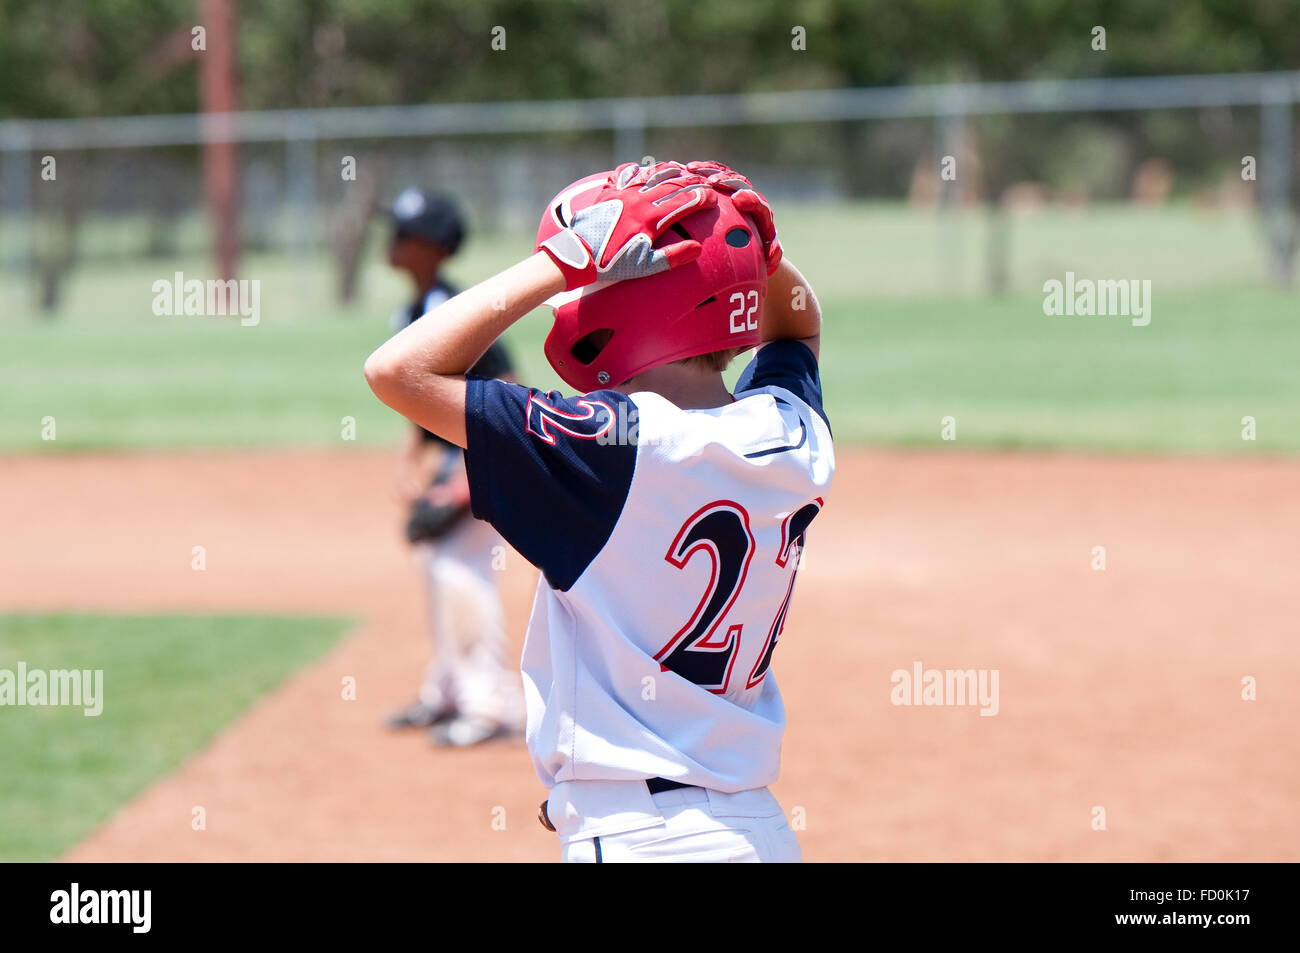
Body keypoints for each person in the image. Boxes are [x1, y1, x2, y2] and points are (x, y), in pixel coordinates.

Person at [364, 161, 833, 861]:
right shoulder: (792, 432)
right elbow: (797, 328)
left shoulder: (611, 444)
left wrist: (559, 261)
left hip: (642, 837)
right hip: (760, 832)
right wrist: (754, 247)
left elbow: (396, 370)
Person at [380, 187, 524, 748]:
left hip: (477, 456)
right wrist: (409, 461)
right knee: (438, 566)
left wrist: (471, 473)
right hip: (450, 457)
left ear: (435, 246)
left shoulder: (452, 309)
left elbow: (507, 389)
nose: (390, 241)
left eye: (403, 233)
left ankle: (490, 706)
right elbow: (413, 396)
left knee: (462, 571)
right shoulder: (413, 308)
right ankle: (447, 691)